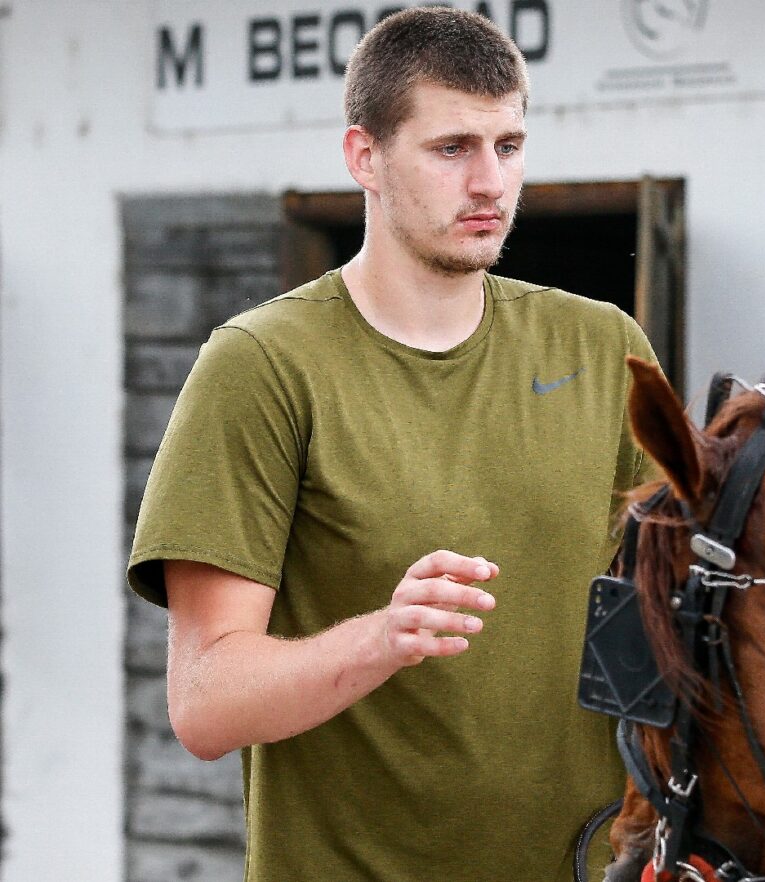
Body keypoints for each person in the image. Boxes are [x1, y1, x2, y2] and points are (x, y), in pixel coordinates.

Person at [127, 8, 659, 880]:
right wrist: (383, 636)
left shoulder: (603, 347)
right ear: (363, 157)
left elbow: (674, 619)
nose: (491, 181)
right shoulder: (262, 365)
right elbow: (204, 703)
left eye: (510, 145)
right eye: (453, 148)